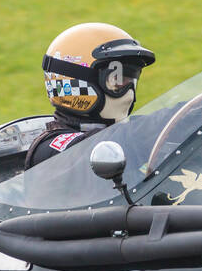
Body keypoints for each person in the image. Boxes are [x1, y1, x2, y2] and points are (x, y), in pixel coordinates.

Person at [25, 23, 155, 168]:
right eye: (117, 80)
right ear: (79, 82)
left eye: (132, 81)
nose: (129, 94)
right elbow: (130, 137)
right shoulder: (51, 151)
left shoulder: (112, 133)